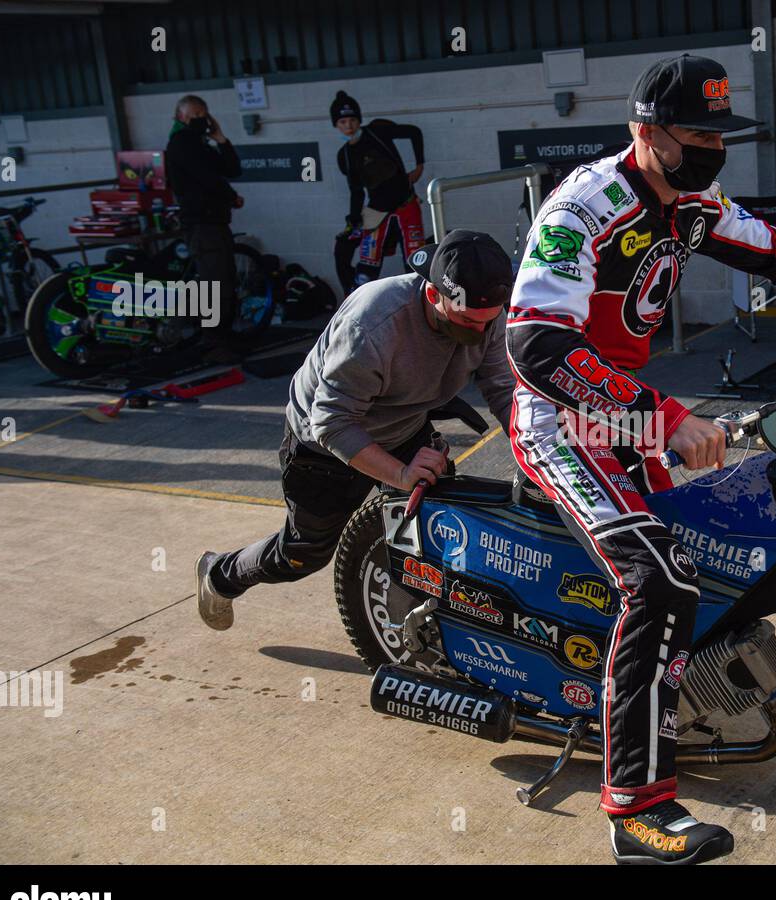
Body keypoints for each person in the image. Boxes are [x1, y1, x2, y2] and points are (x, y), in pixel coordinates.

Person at [506, 53, 776, 864]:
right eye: (696, 132)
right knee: (661, 576)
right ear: (646, 132)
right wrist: (658, 415)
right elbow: (535, 342)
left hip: (627, 407)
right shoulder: (583, 207)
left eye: (719, 131)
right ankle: (634, 810)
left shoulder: (695, 201)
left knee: (703, 553)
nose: (712, 146)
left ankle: (671, 690)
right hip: (564, 418)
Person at [196, 231, 515, 629]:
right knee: (302, 553)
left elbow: (502, 389)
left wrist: (536, 451)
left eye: (489, 321)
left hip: (402, 424)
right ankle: (220, 575)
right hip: (324, 446)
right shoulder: (374, 324)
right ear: (434, 295)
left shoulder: (485, 309)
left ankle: (433, 627)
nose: (482, 333)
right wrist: (400, 474)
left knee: (436, 530)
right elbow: (331, 423)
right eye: (467, 322)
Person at [166, 95, 243, 363]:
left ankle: (223, 337)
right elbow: (208, 178)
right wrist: (232, 196)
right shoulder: (182, 143)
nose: (198, 119)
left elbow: (232, 168)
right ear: (181, 117)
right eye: (193, 115)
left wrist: (221, 138)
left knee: (225, 279)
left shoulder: (201, 143)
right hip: (201, 224)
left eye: (203, 114)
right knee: (214, 284)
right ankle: (213, 344)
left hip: (215, 222)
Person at [331, 91, 427, 294]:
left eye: (352, 120)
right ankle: (357, 309)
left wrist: (419, 166)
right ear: (336, 125)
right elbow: (356, 192)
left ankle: (421, 308)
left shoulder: (377, 131)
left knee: (415, 265)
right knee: (366, 268)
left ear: (359, 121)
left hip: (405, 203)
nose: (348, 126)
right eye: (342, 122)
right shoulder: (345, 156)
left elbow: (414, 132)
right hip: (376, 210)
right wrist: (354, 219)